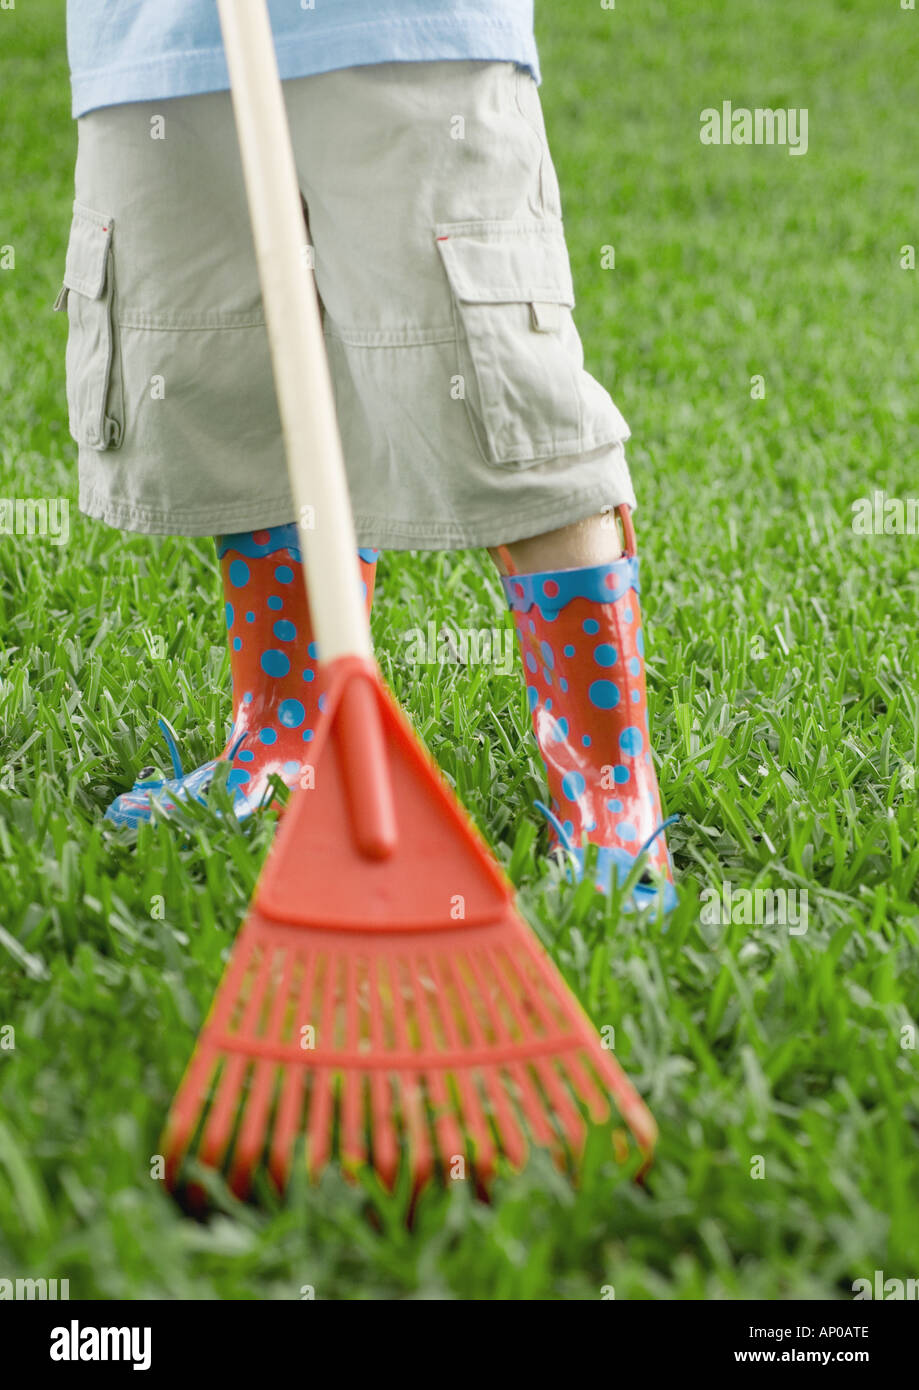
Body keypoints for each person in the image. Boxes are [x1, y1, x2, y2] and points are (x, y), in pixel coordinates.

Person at [59, 0, 675, 911]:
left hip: (400, 30)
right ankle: (281, 738)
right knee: (233, 392)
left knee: (504, 401)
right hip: (152, 44)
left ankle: (605, 788)